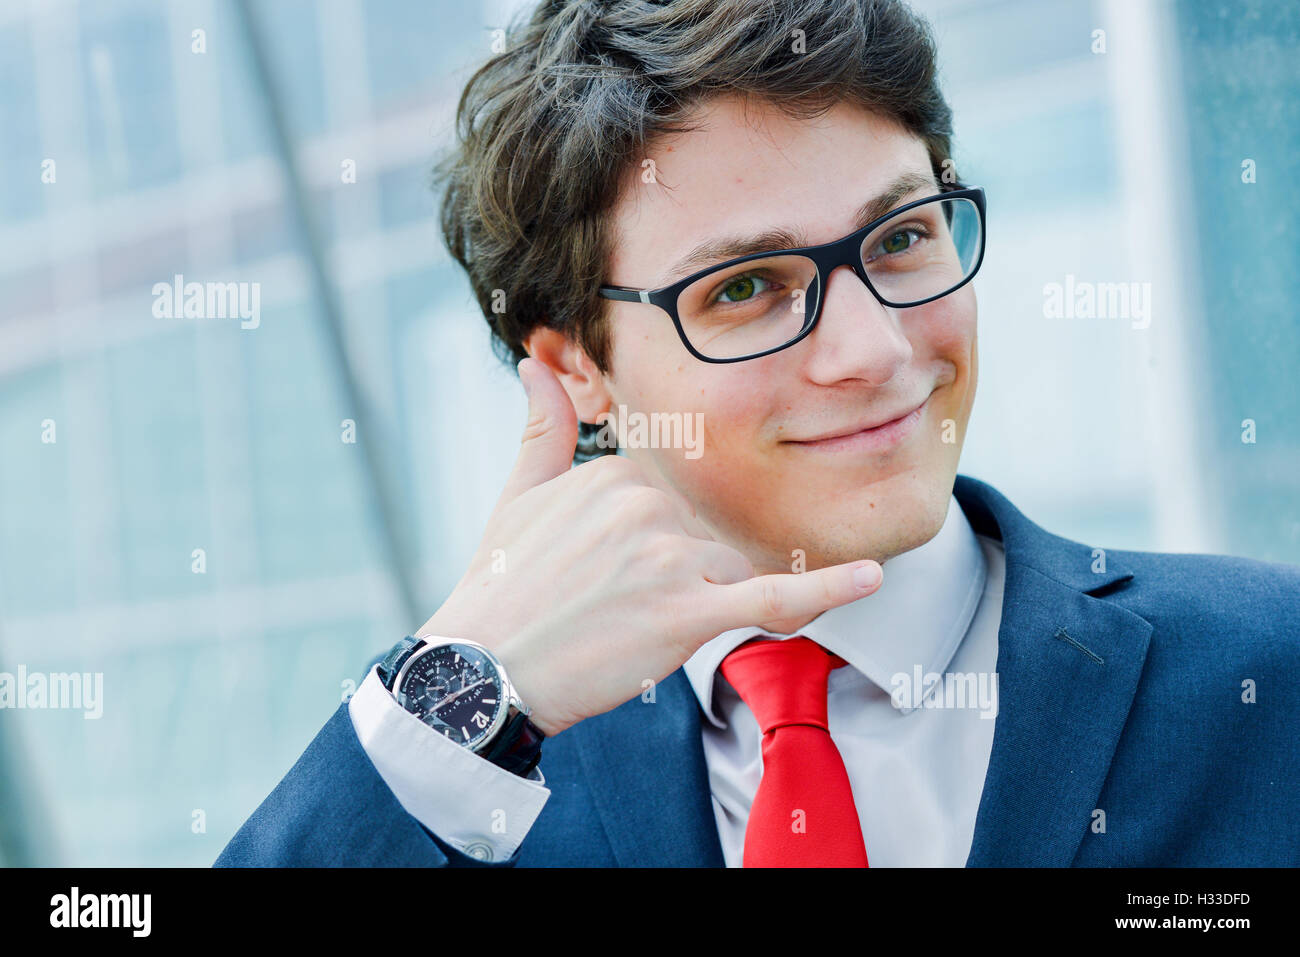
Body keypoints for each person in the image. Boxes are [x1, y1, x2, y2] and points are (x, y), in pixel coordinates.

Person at [215, 0, 1300, 868]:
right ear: (576, 367)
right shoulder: (474, 786)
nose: (871, 349)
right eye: (744, 288)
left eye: (903, 235)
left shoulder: (1262, 673)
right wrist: (461, 691)